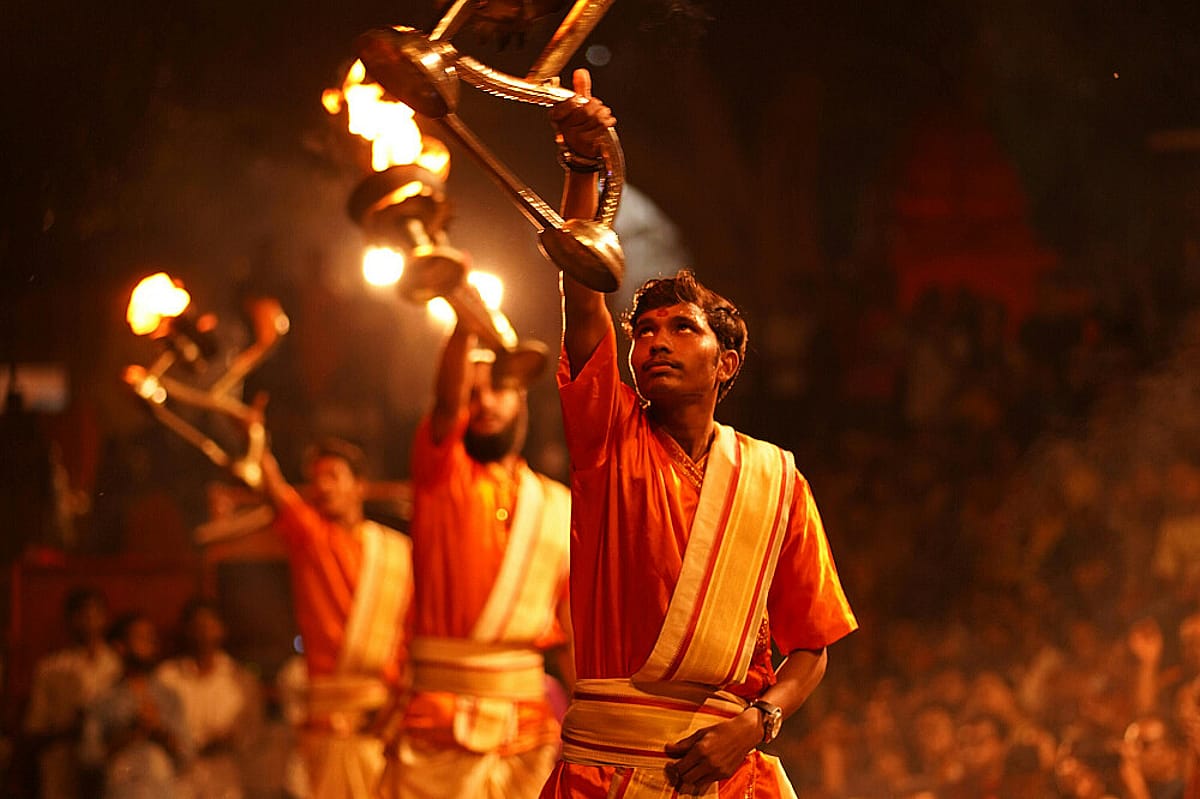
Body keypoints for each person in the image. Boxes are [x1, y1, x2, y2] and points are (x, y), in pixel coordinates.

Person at [539, 70, 858, 797]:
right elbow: (581, 292)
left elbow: (811, 645)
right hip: (604, 774)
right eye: (644, 330)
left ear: (729, 361)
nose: (656, 341)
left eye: (683, 328)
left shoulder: (776, 480)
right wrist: (582, 167)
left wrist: (759, 721)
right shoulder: (608, 435)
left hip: (732, 773)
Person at [378, 311, 572, 798]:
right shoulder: (442, 476)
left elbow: (570, 632)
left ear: (522, 396)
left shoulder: (558, 504)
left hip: (529, 725)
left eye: (498, 388)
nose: (484, 402)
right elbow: (444, 406)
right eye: (472, 393)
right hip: (439, 724)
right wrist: (464, 326)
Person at [253, 429, 413, 799]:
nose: (322, 487)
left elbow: (411, 635)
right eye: (316, 479)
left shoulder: (397, 553)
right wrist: (257, 440)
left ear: (360, 486)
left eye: (333, 476)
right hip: (328, 725)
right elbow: (275, 490)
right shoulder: (311, 538)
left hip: (384, 723)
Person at [156, 598, 262, 799]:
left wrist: (232, 738)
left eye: (209, 626)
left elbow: (253, 730)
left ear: (221, 630)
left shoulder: (239, 679)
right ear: (187, 630)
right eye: (197, 627)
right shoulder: (167, 677)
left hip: (224, 776)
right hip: (179, 775)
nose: (204, 633)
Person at [23, 587, 122, 799]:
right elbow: (35, 729)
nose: (88, 621)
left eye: (94, 614)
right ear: (69, 621)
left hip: (110, 766)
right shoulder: (52, 668)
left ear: (105, 618)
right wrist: (72, 727)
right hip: (64, 769)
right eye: (81, 615)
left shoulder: (118, 666)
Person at [82, 612, 192, 799]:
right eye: (141, 638)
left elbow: (187, 755)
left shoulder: (168, 696)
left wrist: (160, 731)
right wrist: (130, 734)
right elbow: (88, 759)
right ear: (120, 646)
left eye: (151, 637)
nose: (150, 643)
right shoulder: (103, 700)